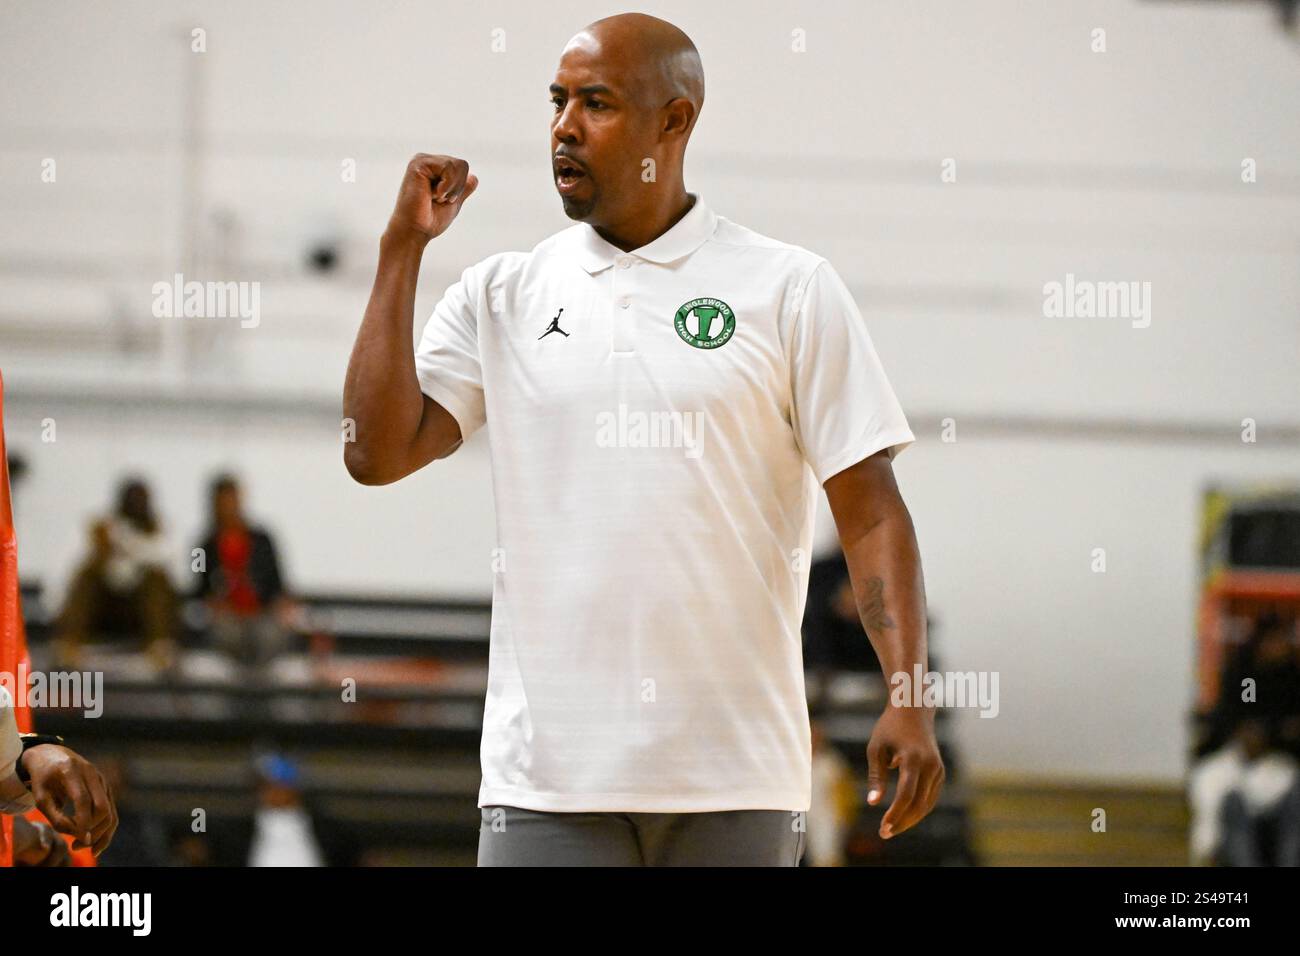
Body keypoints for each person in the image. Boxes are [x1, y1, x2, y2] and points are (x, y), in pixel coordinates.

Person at [343, 13, 942, 866]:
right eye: (556, 102)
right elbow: (374, 453)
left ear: (676, 119)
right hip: (543, 785)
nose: (564, 126)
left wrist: (909, 695)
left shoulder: (788, 288)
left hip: (734, 779)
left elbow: (873, 512)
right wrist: (401, 250)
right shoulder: (503, 292)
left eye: (596, 102)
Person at [53, 477, 177, 671]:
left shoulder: (158, 531)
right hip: (106, 605)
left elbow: (162, 558)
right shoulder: (106, 528)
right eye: (132, 500)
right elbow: (97, 564)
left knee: (157, 579)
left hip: (141, 610)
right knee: (87, 577)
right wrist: (108, 548)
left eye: (140, 500)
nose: (136, 505)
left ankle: (160, 646)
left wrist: (130, 548)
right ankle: (69, 644)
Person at [194, 474, 294, 677]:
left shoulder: (262, 540)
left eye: (233, 500)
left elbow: (277, 583)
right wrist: (212, 603)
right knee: (228, 635)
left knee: (268, 635)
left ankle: (258, 686)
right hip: (227, 617)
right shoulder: (204, 546)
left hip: (261, 613)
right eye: (224, 502)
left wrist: (280, 605)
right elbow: (200, 588)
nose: (229, 507)